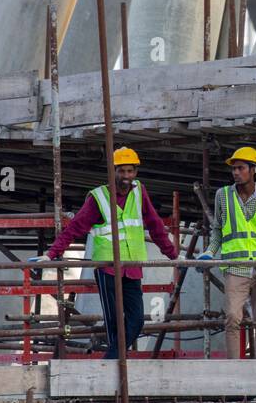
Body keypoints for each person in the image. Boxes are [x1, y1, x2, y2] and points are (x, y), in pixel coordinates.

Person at [30, 147, 178, 358]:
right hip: (107, 269)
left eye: (129, 171)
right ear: (113, 171)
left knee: (136, 321)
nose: (126, 176)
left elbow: (155, 225)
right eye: (121, 171)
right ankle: (115, 365)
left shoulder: (139, 192)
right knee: (114, 322)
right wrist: (52, 254)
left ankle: (110, 361)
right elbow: (75, 227)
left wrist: (172, 255)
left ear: (135, 172)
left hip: (132, 267)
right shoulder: (98, 197)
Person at [197, 146, 256, 358]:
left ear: (253, 170)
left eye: (240, 168)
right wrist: (210, 252)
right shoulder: (223, 196)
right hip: (235, 267)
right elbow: (218, 231)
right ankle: (235, 371)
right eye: (234, 169)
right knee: (232, 318)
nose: (235, 172)